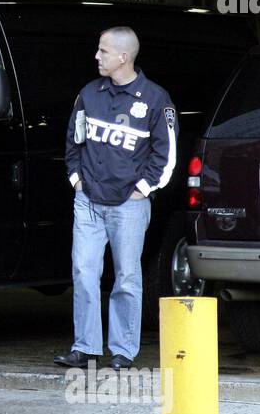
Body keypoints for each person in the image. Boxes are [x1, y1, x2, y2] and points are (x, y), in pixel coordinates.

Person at [55, 26, 178, 372]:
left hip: (129, 205)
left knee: (126, 276)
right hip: (89, 202)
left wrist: (143, 189)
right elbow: (73, 141)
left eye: (103, 51)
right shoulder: (88, 94)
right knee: (83, 272)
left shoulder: (156, 99)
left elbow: (165, 155)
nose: (97, 56)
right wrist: (77, 180)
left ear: (123, 57)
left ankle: (123, 351)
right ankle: (86, 348)